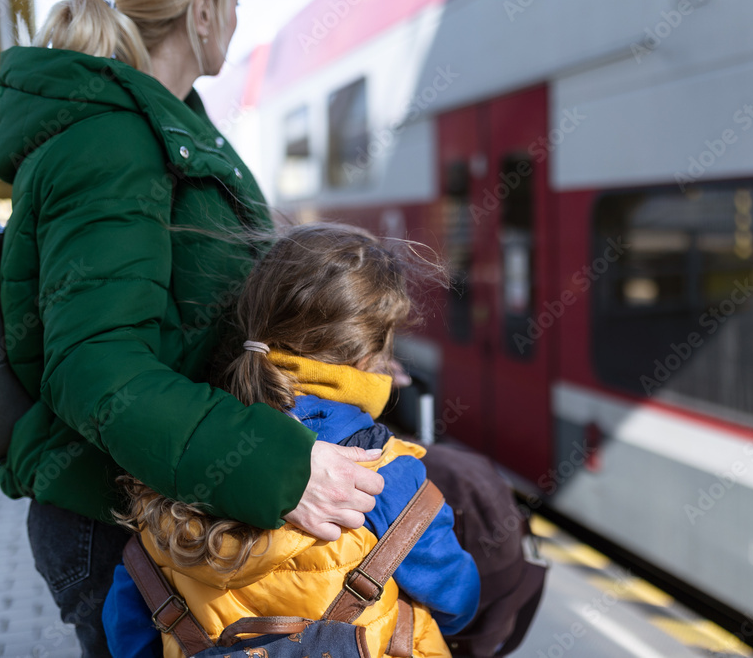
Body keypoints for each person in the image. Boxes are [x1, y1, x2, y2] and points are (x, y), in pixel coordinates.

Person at [0, 0, 384, 655]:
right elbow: (97, 370)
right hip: (115, 522)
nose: (237, 21)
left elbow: (192, 329)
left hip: (156, 503)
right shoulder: (112, 140)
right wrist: (285, 471)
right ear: (201, 11)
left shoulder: (161, 128)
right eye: (232, 4)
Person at [104, 223, 480, 658]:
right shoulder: (387, 469)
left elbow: (128, 623)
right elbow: (455, 597)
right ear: (370, 352)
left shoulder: (187, 450)